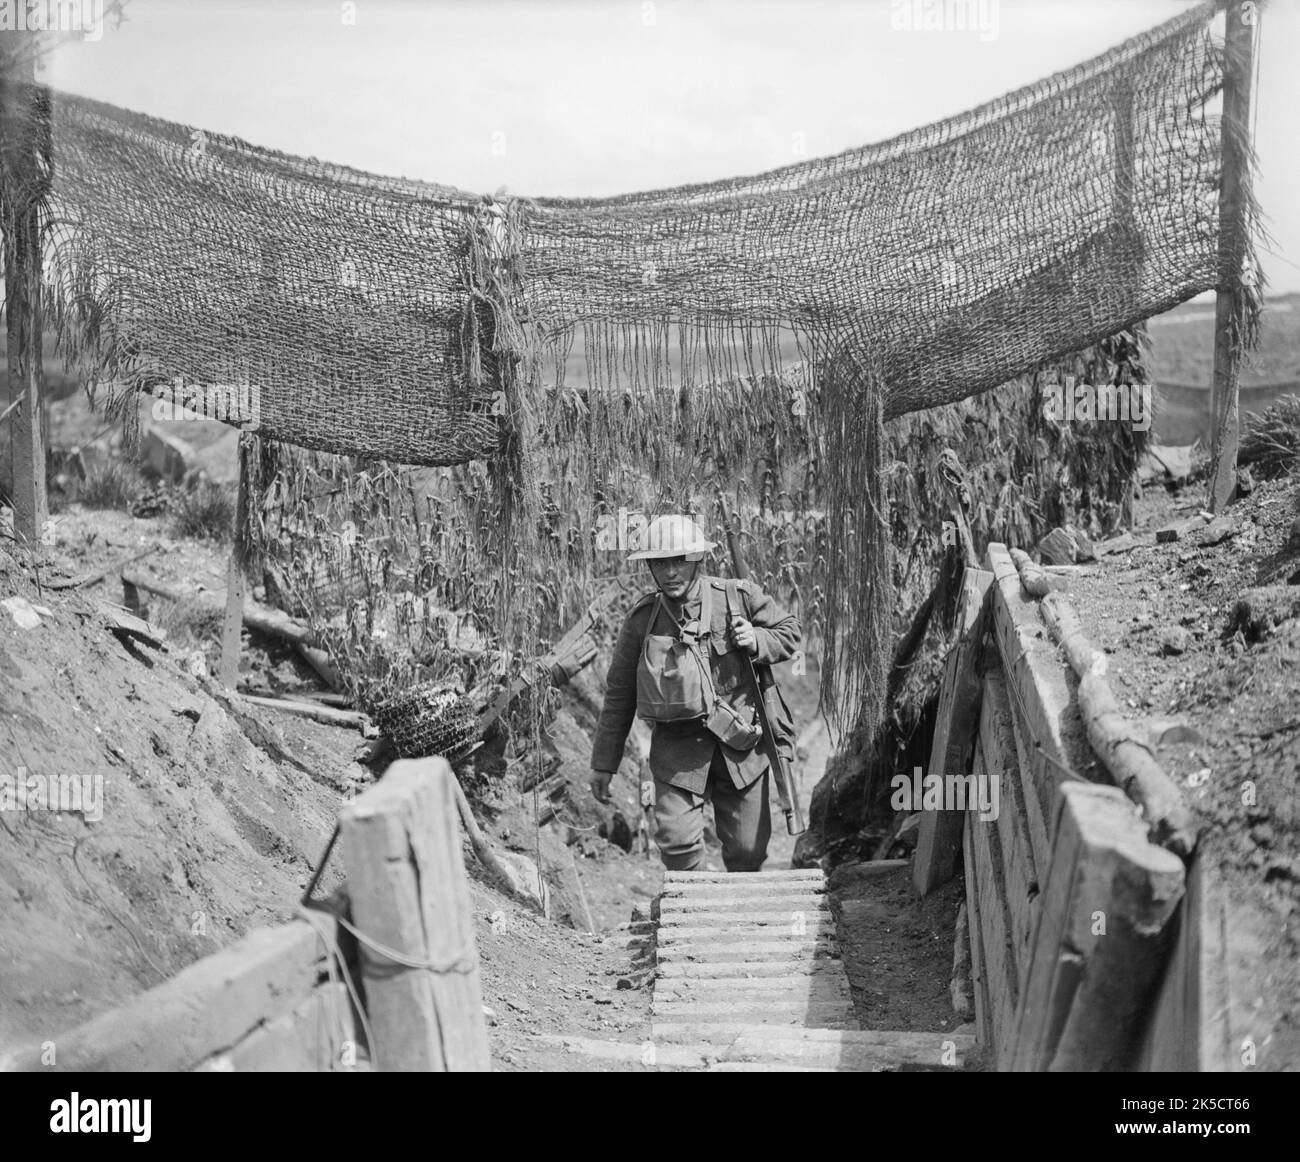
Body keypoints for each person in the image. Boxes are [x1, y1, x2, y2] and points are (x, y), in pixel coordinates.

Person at [589, 515, 800, 872]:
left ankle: (736, 920)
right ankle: (692, 916)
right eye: (660, 563)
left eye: (680, 561)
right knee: (678, 847)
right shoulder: (642, 621)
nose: (671, 572)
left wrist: (757, 640)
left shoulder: (737, 597)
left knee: (748, 852)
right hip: (678, 755)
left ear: (699, 560)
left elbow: (790, 631)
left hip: (742, 750)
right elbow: (619, 695)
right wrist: (603, 764)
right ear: (650, 567)